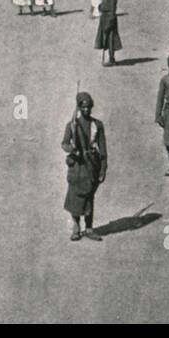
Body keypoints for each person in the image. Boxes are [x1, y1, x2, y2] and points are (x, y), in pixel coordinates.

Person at [61, 92, 107, 241]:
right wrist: (72, 148)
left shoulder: (97, 125)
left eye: (89, 107)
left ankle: (89, 228)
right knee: (75, 196)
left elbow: (103, 149)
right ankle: (76, 227)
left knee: (89, 196)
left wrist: (103, 169)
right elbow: (64, 143)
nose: (87, 110)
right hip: (78, 166)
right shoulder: (72, 125)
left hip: (92, 164)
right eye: (84, 107)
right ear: (79, 108)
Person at [95, 0, 121, 65]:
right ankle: (111, 58)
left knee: (110, 40)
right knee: (107, 39)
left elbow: (111, 11)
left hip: (109, 20)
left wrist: (109, 24)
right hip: (105, 20)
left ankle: (111, 59)